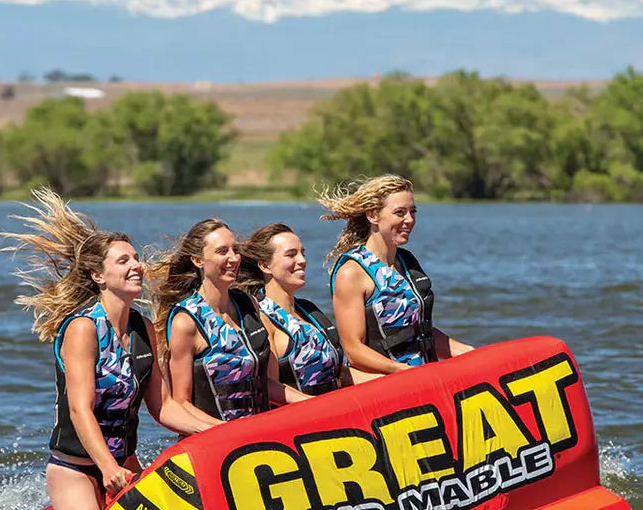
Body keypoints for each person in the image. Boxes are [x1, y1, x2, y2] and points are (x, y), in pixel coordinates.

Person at [0, 189, 206, 510]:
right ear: (98, 276)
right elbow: (80, 410)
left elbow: (164, 408)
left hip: (123, 467)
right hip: (77, 468)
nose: (136, 266)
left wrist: (217, 432)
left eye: (136, 258)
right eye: (123, 261)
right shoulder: (83, 328)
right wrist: (107, 469)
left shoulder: (144, 329)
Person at [148, 218, 307, 423]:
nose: (233, 258)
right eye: (223, 251)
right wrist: (225, 431)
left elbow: (266, 383)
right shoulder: (186, 322)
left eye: (235, 250)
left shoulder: (249, 306)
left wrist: (312, 402)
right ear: (198, 260)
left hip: (261, 433)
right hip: (216, 440)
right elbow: (181, 403)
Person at [319, 175, 472, 374]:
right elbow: (354, 351)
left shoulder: (407, 262)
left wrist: (466, 352)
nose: (409, 220)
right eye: (400, 213)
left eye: (412, 212)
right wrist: (401, 371)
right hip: (388, 385)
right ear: (373, 215)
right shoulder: (352, 273)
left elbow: (421, 333)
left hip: (424, 376)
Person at [237, 222, 353, 396]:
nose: (302, 261)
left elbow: (341, 374)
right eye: (291, 255)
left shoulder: (309, 311)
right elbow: (269, 386)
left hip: (333, 408)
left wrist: (395, 377)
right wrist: (316, 405)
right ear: (265, 265)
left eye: (302, 253)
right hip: (301, 415)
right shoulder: (260, 318)